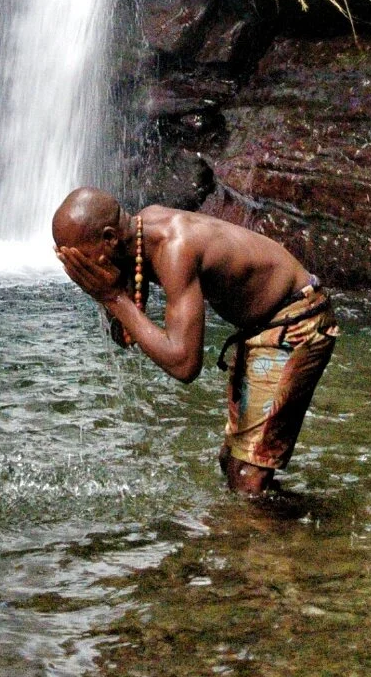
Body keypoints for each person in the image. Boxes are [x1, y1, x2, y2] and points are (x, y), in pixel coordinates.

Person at [51, 186, 338, 498]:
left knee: (248, 477)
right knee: (231, 464)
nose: (77, 268)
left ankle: (274, 544)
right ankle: (276, 529)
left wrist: (112, 297)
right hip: (265, 325)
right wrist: (109, 292)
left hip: (296, 320)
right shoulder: (139, 233)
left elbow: (185, 364)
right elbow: (126, 335)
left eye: (79, 258)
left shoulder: (174, 248)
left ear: (109, 238)